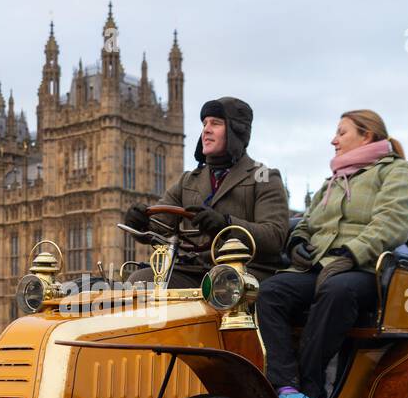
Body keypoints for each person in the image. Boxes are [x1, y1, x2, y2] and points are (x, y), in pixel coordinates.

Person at [257, 110, 408, 398]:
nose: (334, 140)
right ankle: (287, 389)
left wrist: (351, 254)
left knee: (337, 291)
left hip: (366, 270)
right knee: (271, 292)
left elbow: (392, 224)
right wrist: (298, 242)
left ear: (368, 135)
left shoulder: (398, 172)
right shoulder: (333, 180)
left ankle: (312, 387)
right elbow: (307, 222)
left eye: (342, 132)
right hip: (321, 265)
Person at [124, 97, 290, 285]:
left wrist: (225, 224)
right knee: (139, 281)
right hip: (197, 269)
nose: (206, 130)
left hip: (245, 270)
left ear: (236, 131)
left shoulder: (263, 177)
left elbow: (274, 237)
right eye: (204, 123)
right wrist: (141, 222)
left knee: (221, 288)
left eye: (215, 123)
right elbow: (160, 226)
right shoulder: (188, 180)